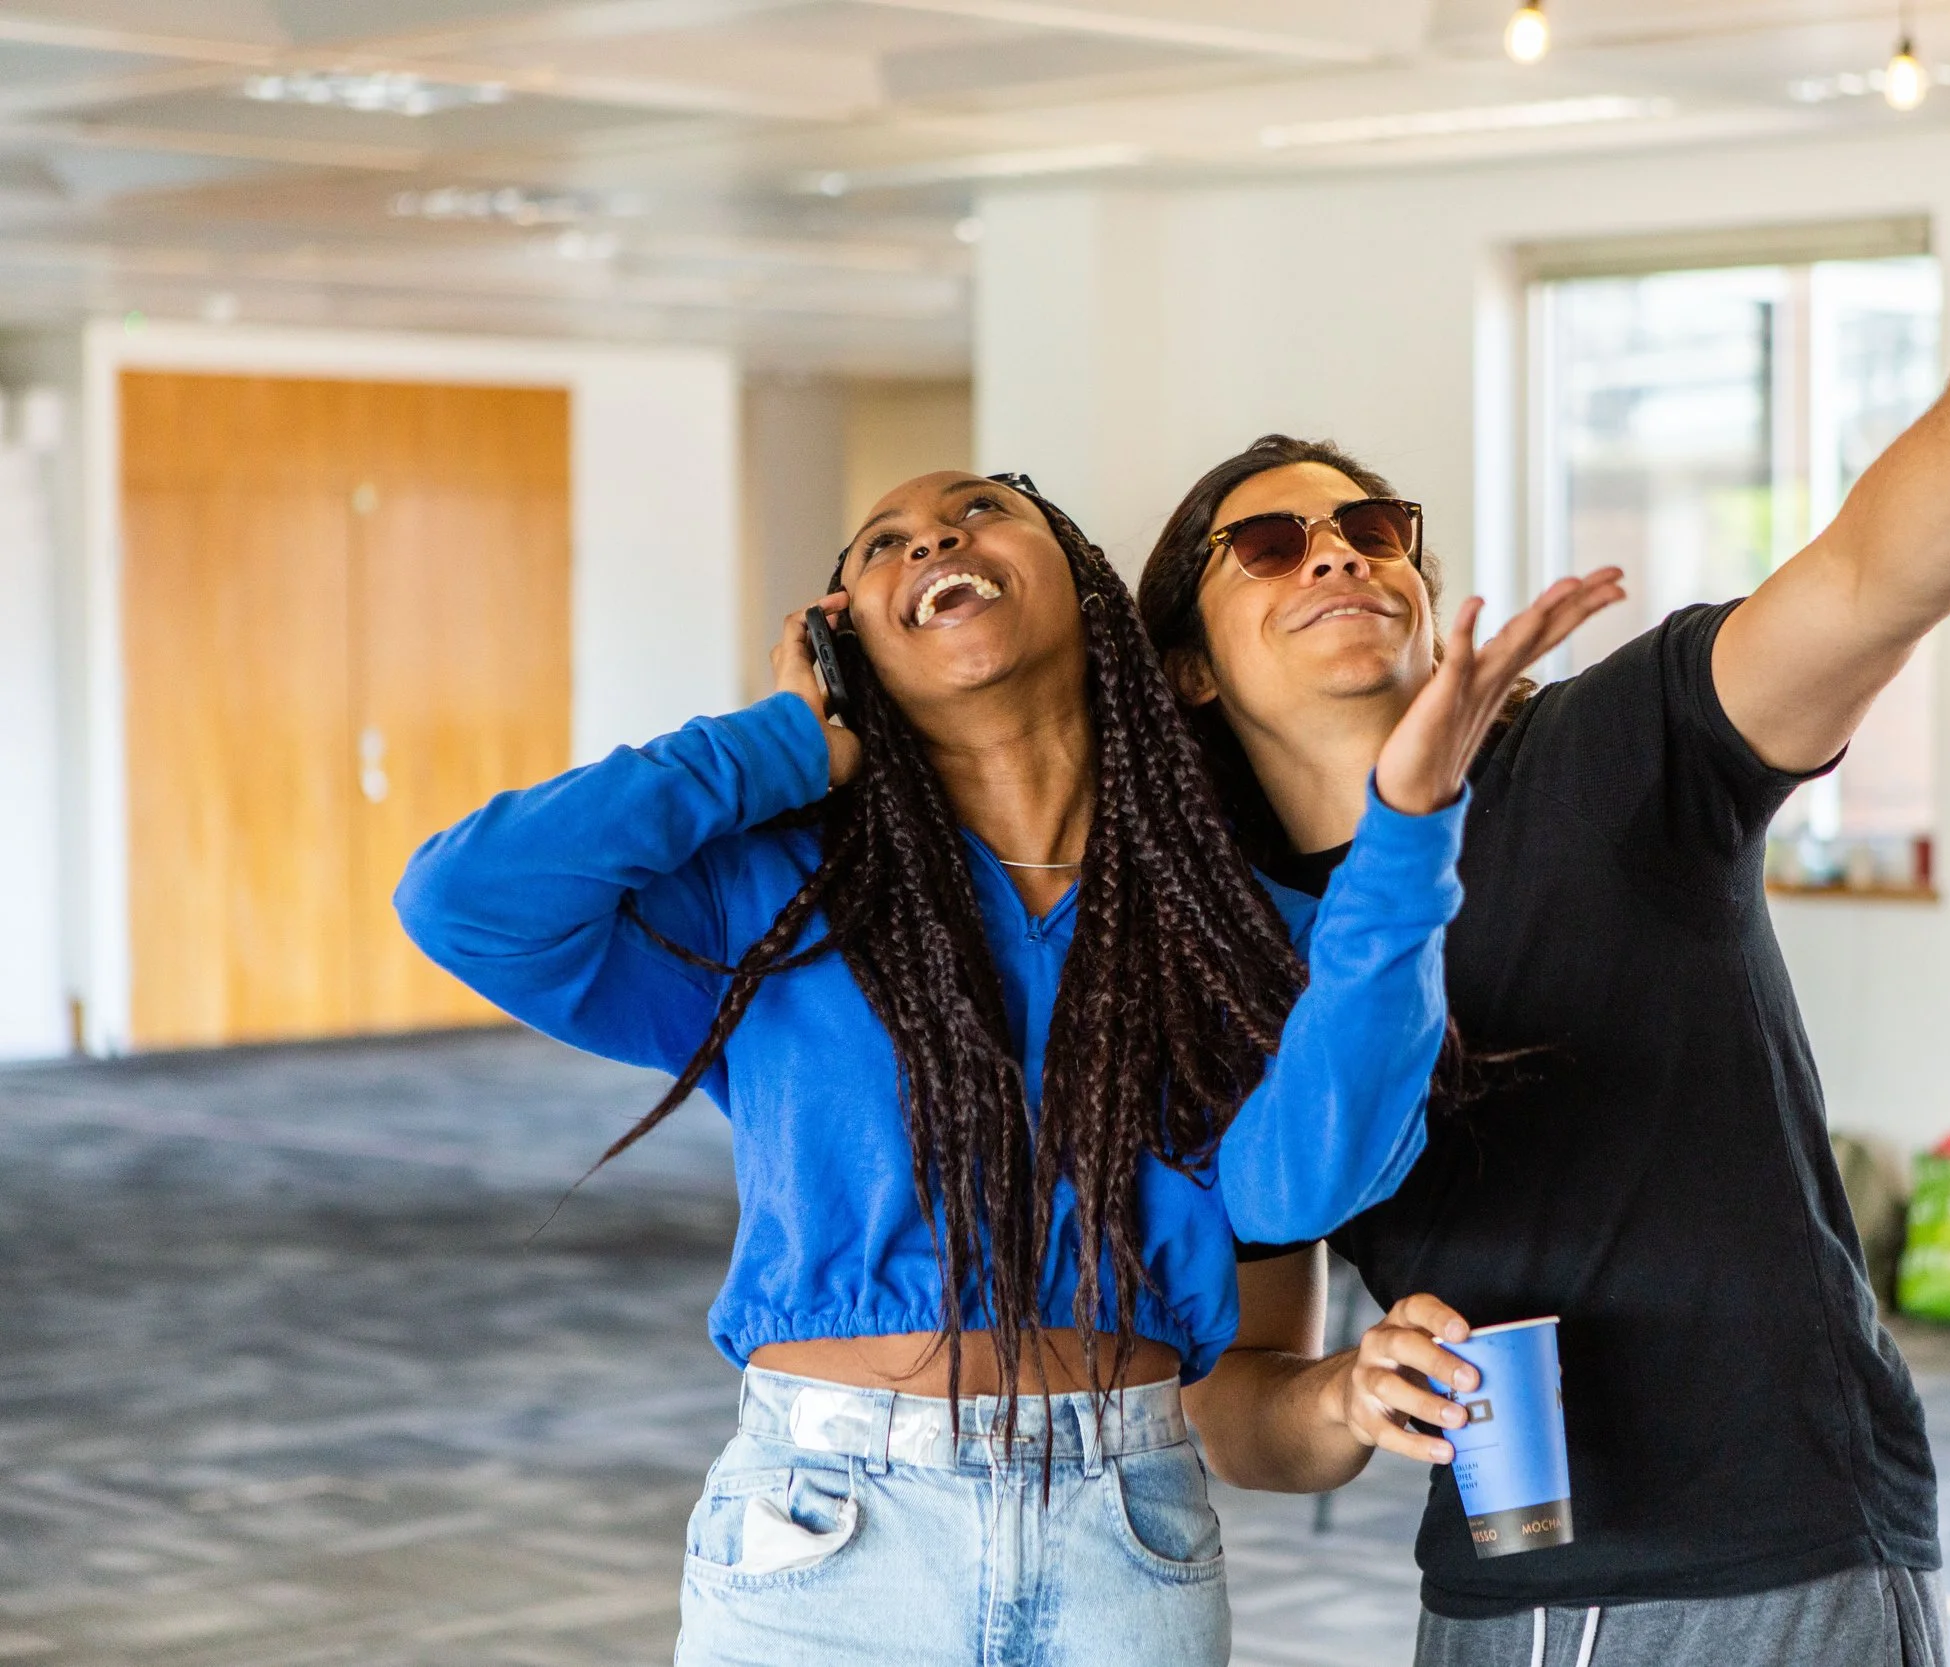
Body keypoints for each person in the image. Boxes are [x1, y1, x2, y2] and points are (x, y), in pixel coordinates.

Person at [1143, 193, 1950, 1665]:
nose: (1337, 554)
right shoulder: (1225, 950)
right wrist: (1342, 1396)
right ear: (1189, 669)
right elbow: (1243, 1388)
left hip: (1780, 1533)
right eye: (1267, 545)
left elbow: (1865, 584)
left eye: (1371, 526)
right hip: (1509, 1574)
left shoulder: (1612, 749)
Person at [394, 471, 1619, 1667]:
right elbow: (468, 900)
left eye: (980, 511)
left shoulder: (1231, 925)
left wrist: (1407, 828)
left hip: (1122, 1535)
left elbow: (1301, 1185)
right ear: (848, 644)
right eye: (881, 545)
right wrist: (778, 746)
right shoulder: (771, 895)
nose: (929, 540)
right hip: (826, 1536)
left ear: (1085, 598)